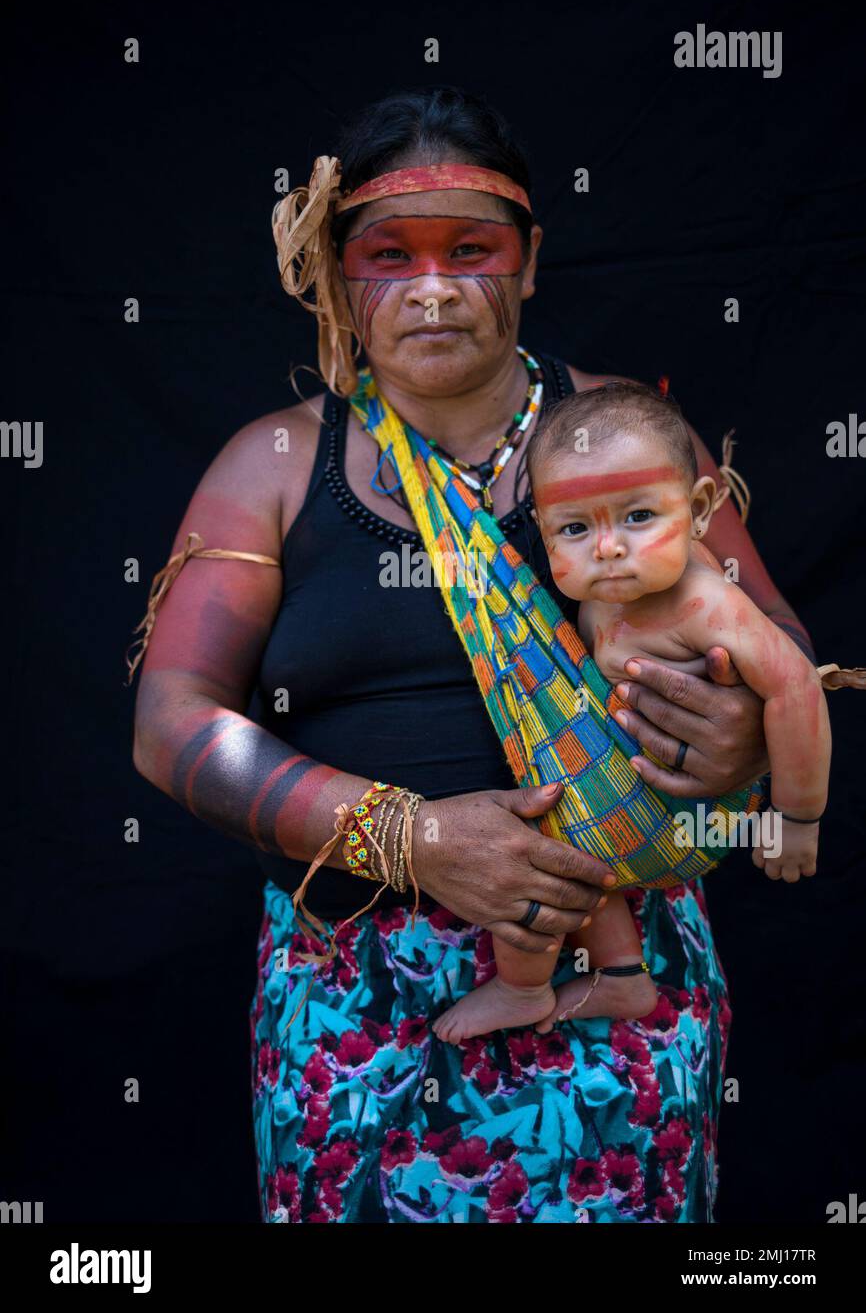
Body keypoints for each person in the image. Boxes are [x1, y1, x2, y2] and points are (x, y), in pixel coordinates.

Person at [130, 86, 817, 1224]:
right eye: (389, 255)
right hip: (356, 1002)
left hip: (615, 977)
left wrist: (745, 728)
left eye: (472, 250)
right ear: (342, 277)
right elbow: (173, 719)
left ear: (529, 261)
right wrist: (413, 836)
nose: (434, 287)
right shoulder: (272, 467)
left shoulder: (627, 444)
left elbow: (777, 642)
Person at [433, 381, 832, 1045]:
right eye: (575, 528)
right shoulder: (614, 585)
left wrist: (796, 817)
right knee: (569, 835)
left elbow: (797, 688)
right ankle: (621, 974)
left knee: (536, 860)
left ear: (701, 509)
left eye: (639, 517)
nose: (609, 547)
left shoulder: (704, 601)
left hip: (681, 813)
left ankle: (521, 986)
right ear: (542, 530)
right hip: (619, 800)